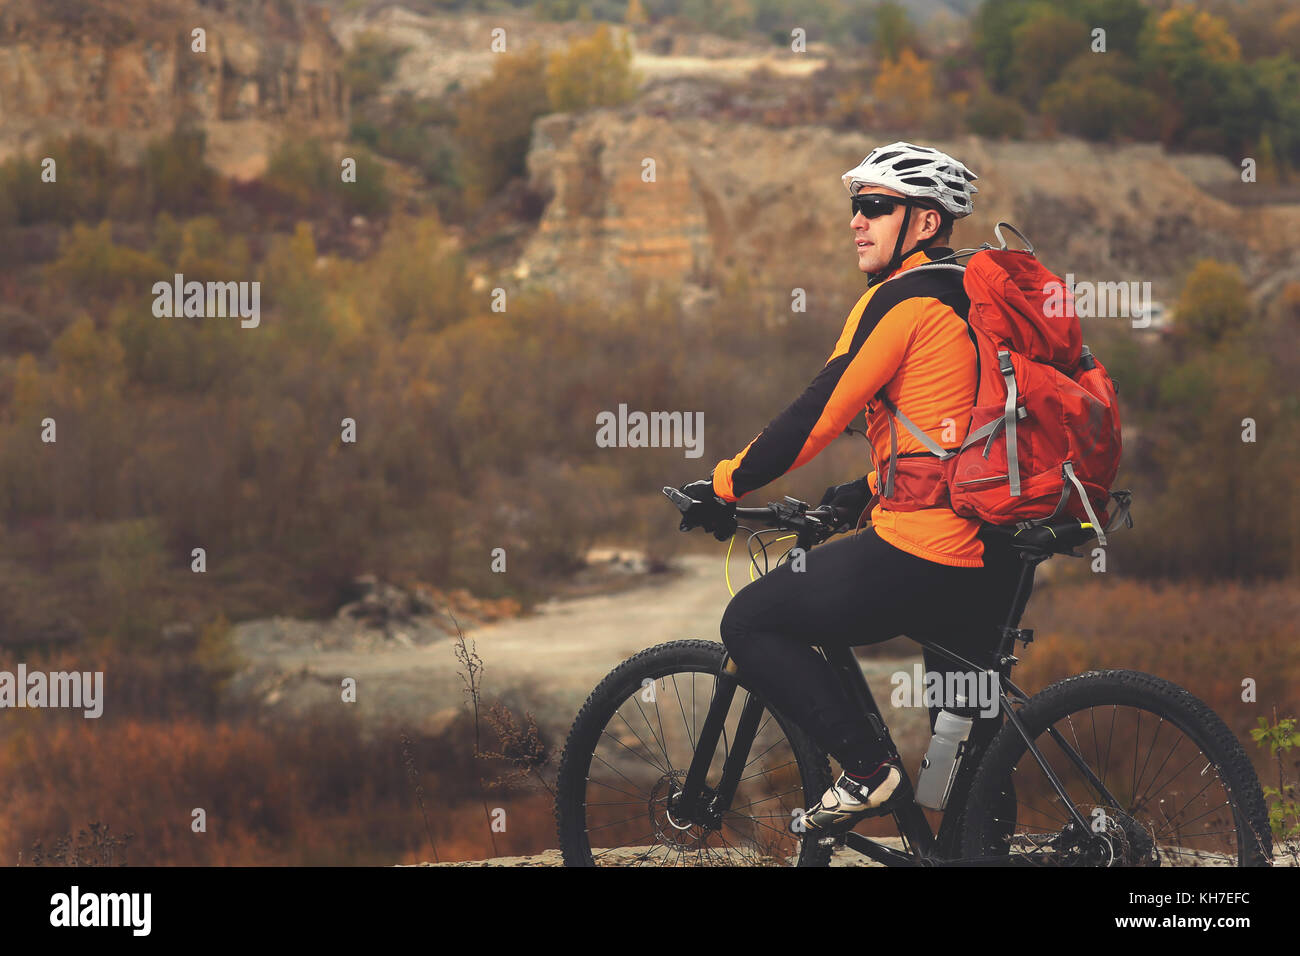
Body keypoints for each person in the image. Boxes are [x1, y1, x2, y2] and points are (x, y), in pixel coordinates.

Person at [675, 142, 1028, 834]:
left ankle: (867, 771)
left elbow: (817, 413)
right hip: (996, 549)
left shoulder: (902, 300)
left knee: (749, 621)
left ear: (925, 223)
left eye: (874, 207)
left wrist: (723, 486)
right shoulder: (971, 297)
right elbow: (956, 433)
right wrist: (863, 489)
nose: (855, 222)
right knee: (967, 762)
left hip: (929, 553)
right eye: (854, 207)